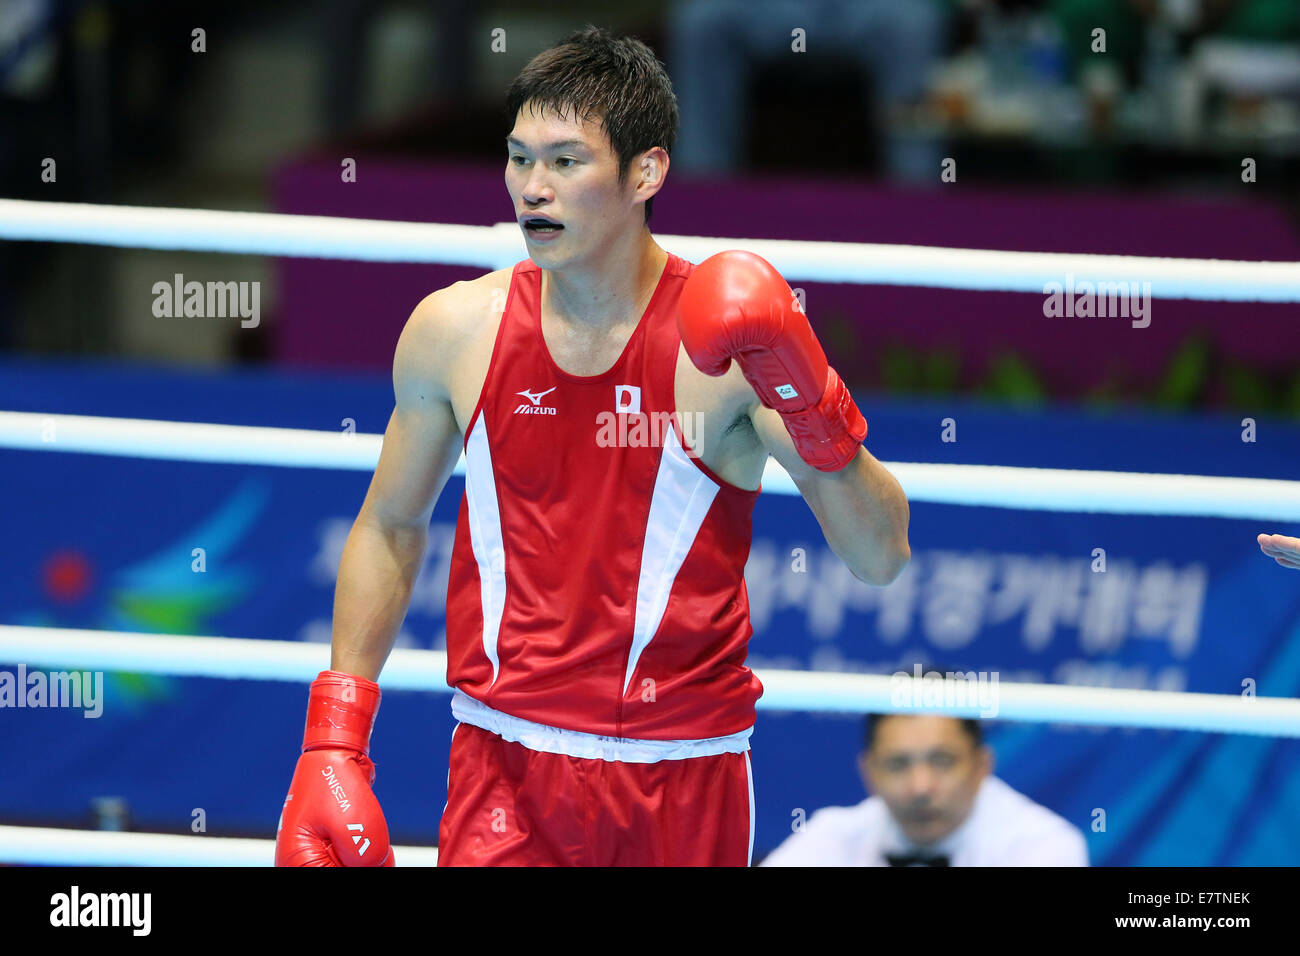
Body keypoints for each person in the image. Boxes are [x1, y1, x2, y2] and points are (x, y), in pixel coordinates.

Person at [273, 25, 910, 868]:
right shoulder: (455, 330)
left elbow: (880, 556)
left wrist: (810, 398)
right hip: (504, 770)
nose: (533, 189)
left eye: (567, 162)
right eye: (517, 157)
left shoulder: (721, 358)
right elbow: (390, 523)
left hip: (683, 776)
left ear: (645, 172)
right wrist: (334, 741)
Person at [760, 712, 1088, 866]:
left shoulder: (1044, 846)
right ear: (868, 771)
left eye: (942, 761)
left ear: (981, 766)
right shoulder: (832, 834)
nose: (920, 787)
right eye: (898, 764)